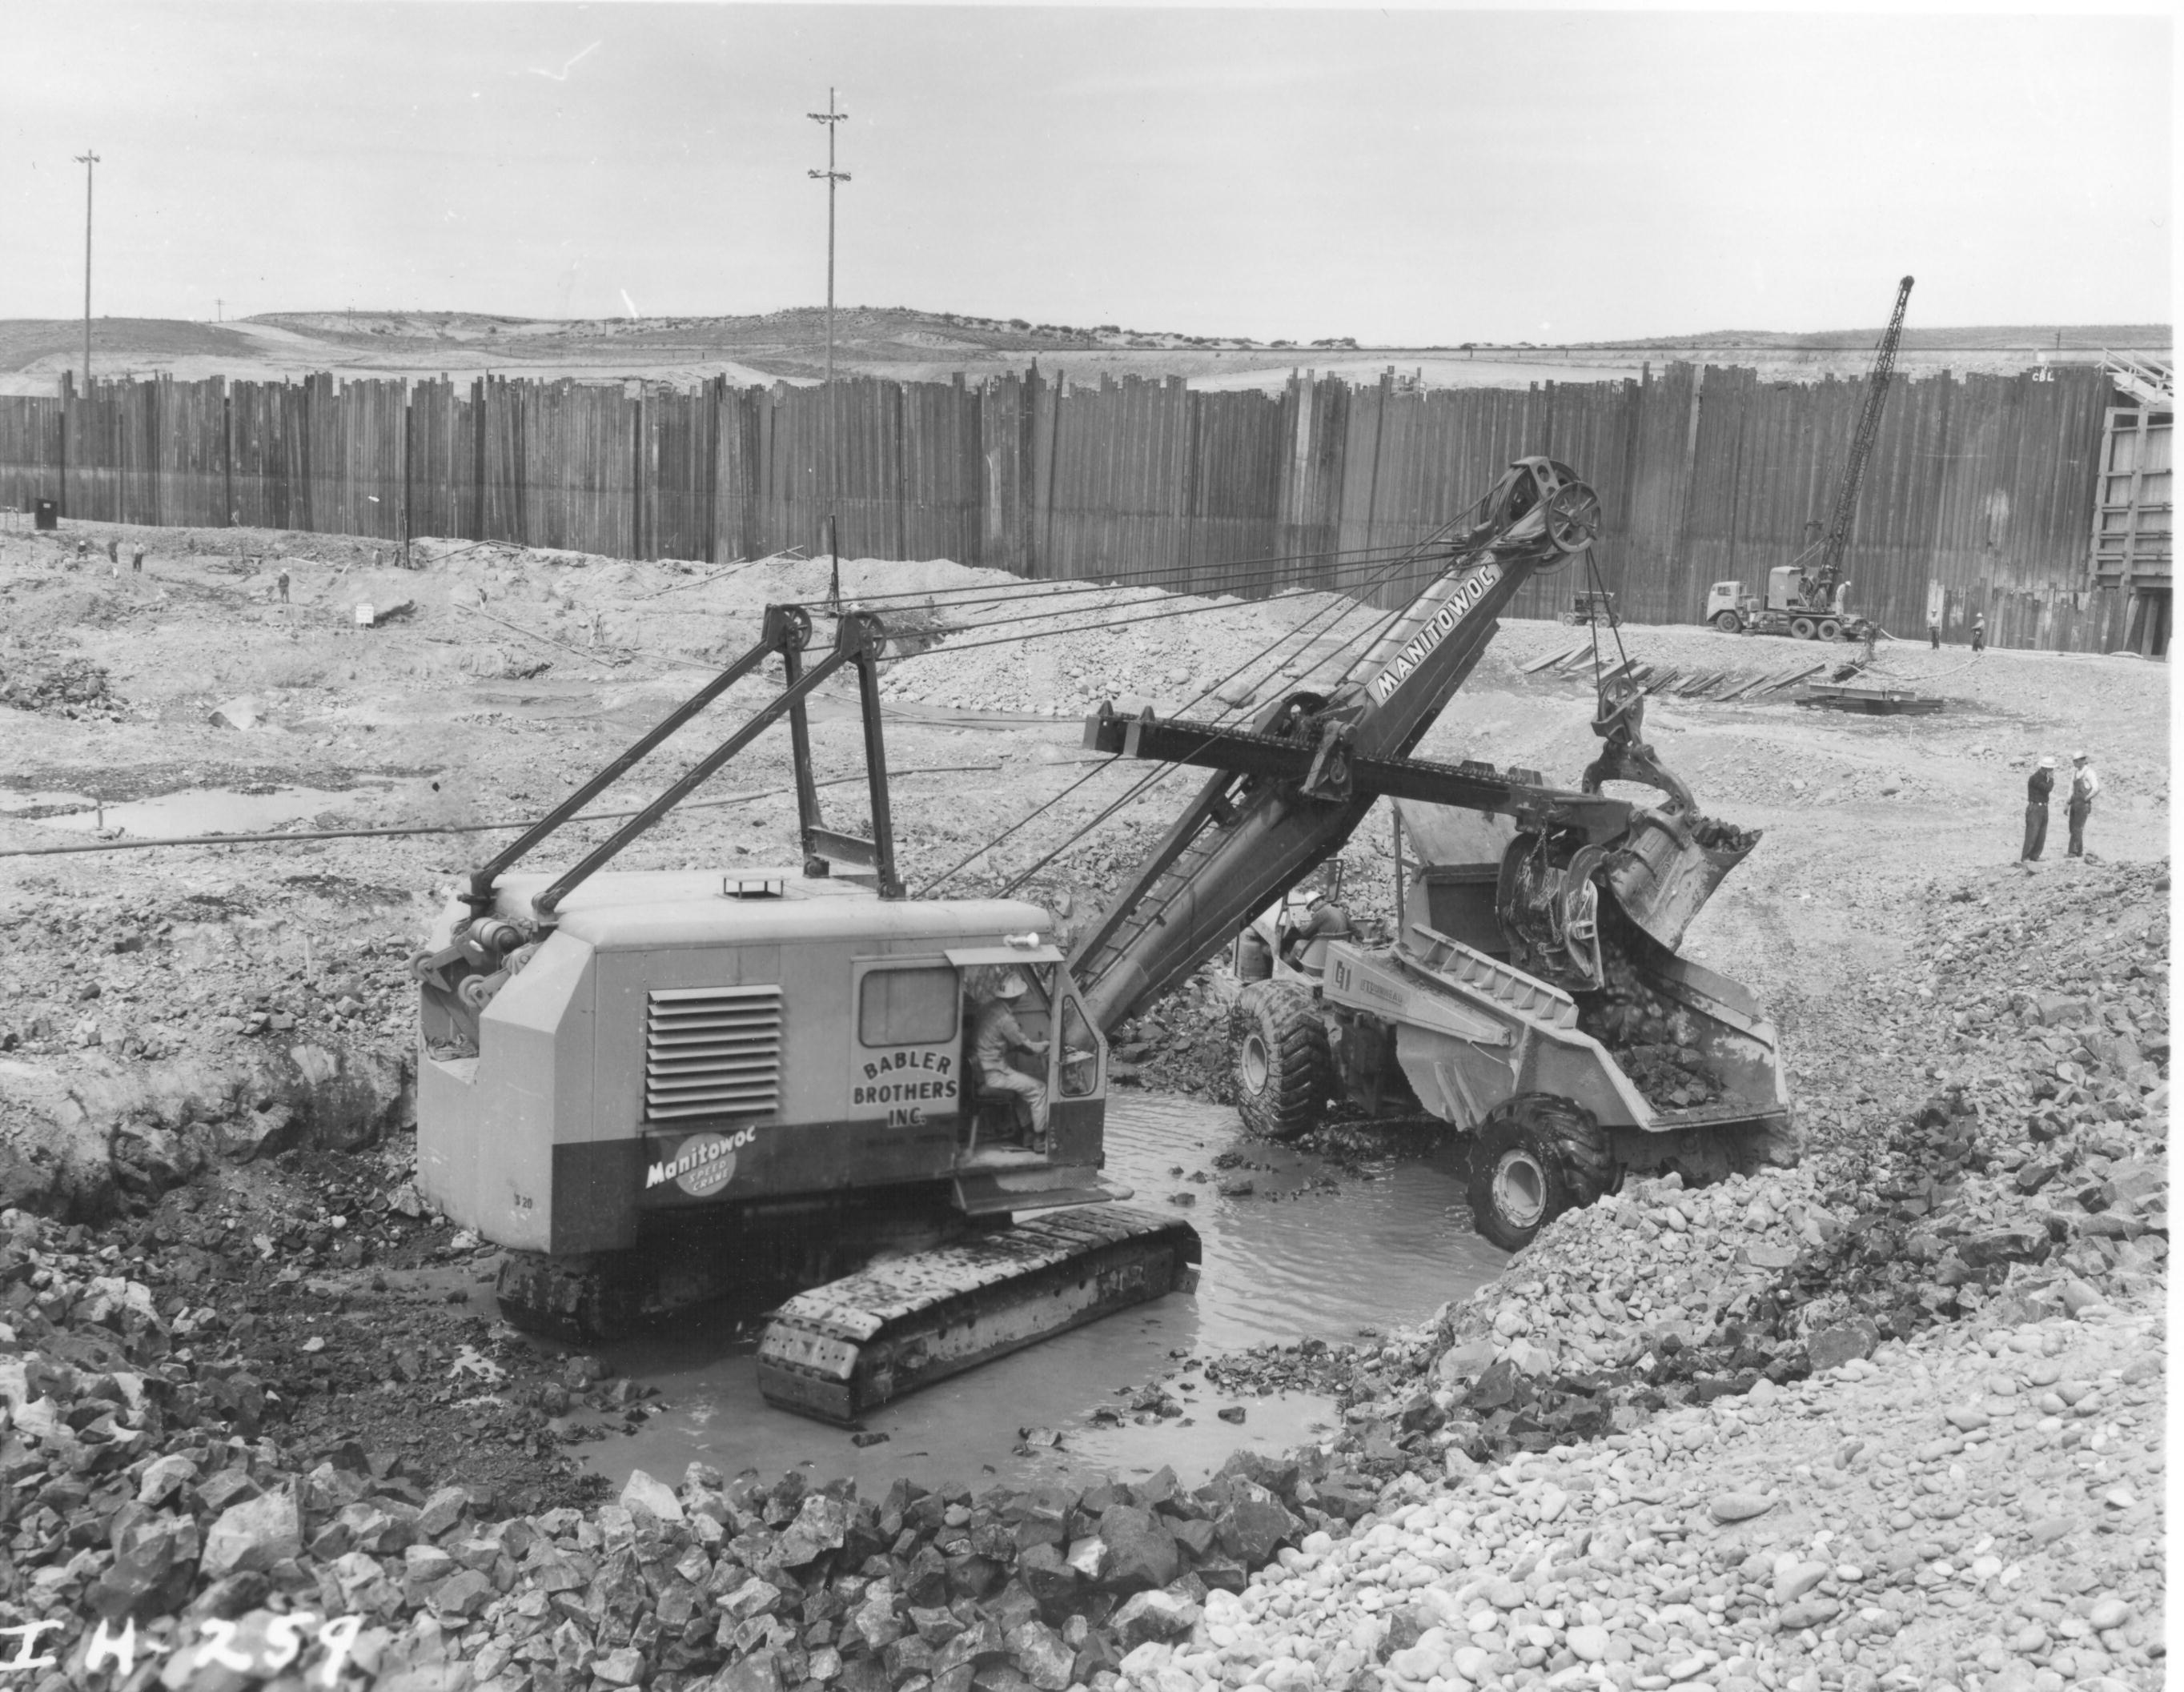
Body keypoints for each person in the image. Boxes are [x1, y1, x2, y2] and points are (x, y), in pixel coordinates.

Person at [971, 973, 1050, 1144]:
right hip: (994, 1075)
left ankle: (1027, 1134)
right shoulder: (1006, 1019)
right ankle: (1040, 1139)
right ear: (1017, 996)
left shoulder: (987, 1009)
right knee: (1040, 1089)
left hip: (981, 1072)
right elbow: (1026, 1047)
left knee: (1023, 1090)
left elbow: (996, 1040)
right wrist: (1044, 1045)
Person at [1282, 889, 1354, 975]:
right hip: (1334, 951)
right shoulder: (1339, 911)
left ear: (1318, 901)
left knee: (1298, 943)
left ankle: (1286, 966)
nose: (1312, 909)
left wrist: (1298, 925)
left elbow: (1305, 932)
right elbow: (1353, 928)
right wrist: (1362, 939)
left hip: (1320, 953)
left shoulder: (1320, 914)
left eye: (1312, 906)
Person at [2021, 756, 2055, 863]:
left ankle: (2035, 855)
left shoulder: (2044, 778)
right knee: (2032, 833)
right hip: (2035, 807)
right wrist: (2052, 779)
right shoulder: (2035, 778)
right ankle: (2026, 856)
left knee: (2041, 833)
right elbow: (2047, 788)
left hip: (2043, 807)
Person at [2067, 752, 2100, 858]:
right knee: (2072, 827)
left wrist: (2087, 798)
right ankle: (2077, 851)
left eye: (2076, 761)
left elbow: (2096, 788)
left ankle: (2074, 851)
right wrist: (2067, 803)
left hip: (2083, 805)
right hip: (2074, 803)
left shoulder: (2089, 772)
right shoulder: (2075, 773)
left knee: (2078, 827)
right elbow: (2071, 789)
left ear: (2082, 761)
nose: (2075, 763)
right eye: (2074, 761)